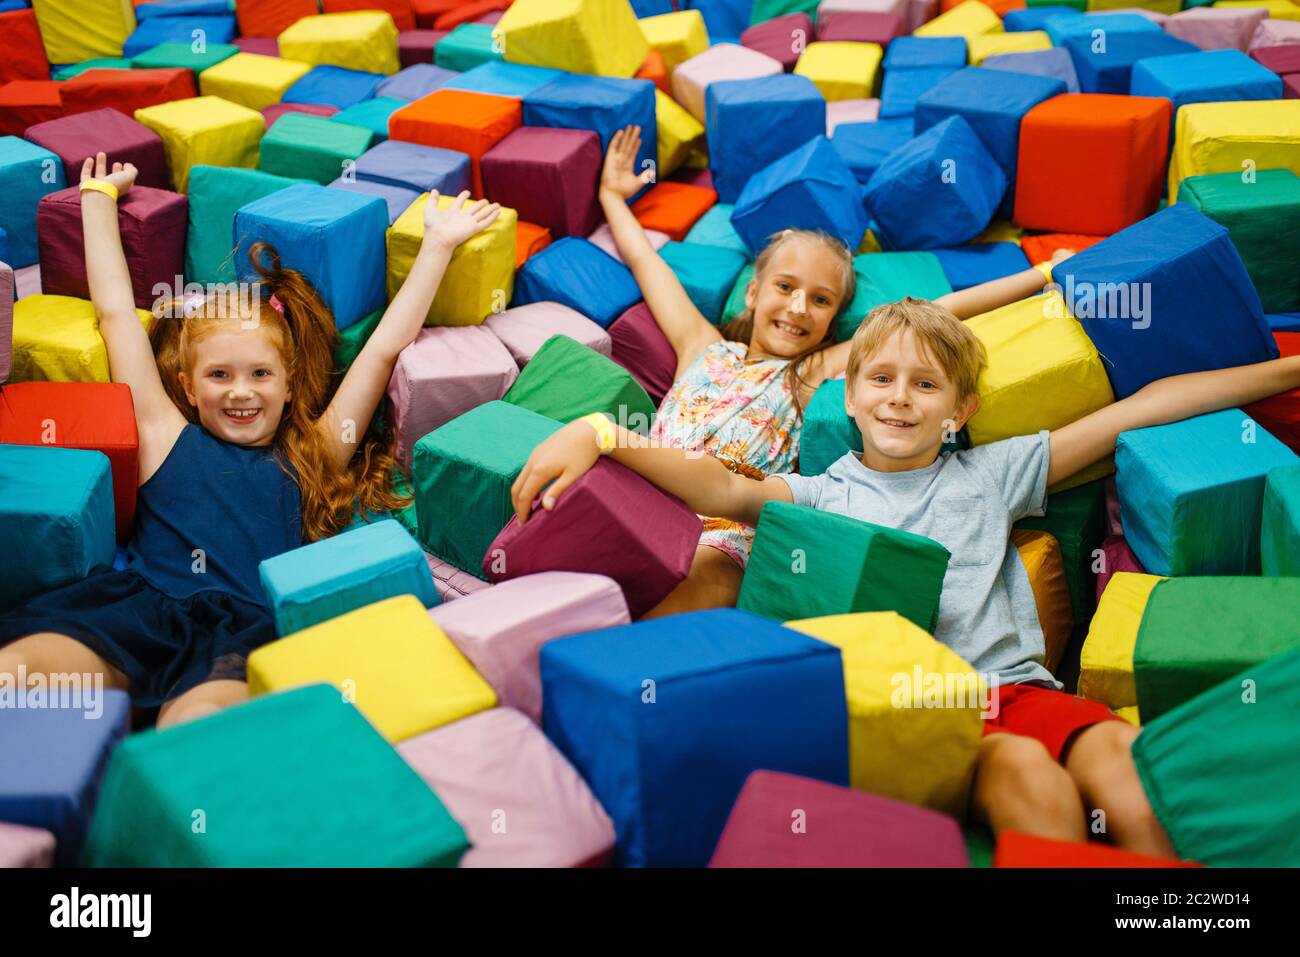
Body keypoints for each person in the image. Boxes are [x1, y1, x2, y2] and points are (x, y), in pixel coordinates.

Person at [512, 295, 1300, 855]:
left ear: (959, 409)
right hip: (908, 708)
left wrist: (1282, 371)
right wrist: (602, 430)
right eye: (881, 380)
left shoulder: (992, 472)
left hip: (1013, 687)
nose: (900, 398)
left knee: (1120, 759)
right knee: (1026, 776)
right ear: (848, 397)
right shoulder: (819, 495)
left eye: (926, 385)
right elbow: (719, 488)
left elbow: (1143, 408)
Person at [0, 153, 500, 728]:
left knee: (197, 728)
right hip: (137, 611)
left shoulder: (315, 451)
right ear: (188, 387)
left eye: (260, 374)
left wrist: (437, 245)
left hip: (238, 633)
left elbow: (383, 348)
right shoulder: (164, 434)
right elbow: (116, 315)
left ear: (290, 385)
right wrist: (96, 200)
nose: (241, 392)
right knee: (20, 670)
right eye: (219, 376)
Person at [599, 125, 1068, 616]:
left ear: (832, 321)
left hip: (722, 531)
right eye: (785, 287)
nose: (799, 307)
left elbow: (943, 309)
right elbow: (645, 262)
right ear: (753, 294)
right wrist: (612, 195)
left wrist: (1042, 274)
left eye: (821, 300)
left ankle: (629, 655)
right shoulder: (702, 346)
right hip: (642, 497)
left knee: (698, 577)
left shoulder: (810, 373)